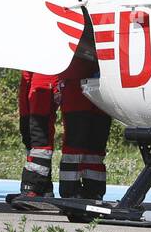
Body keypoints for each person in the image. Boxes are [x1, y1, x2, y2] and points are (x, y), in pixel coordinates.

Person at [17, 56, 109, 200]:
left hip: (79, 62)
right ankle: (38, 187)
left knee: (83, 134)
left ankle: (82, 191)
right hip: (38, 61)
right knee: (31, 128)